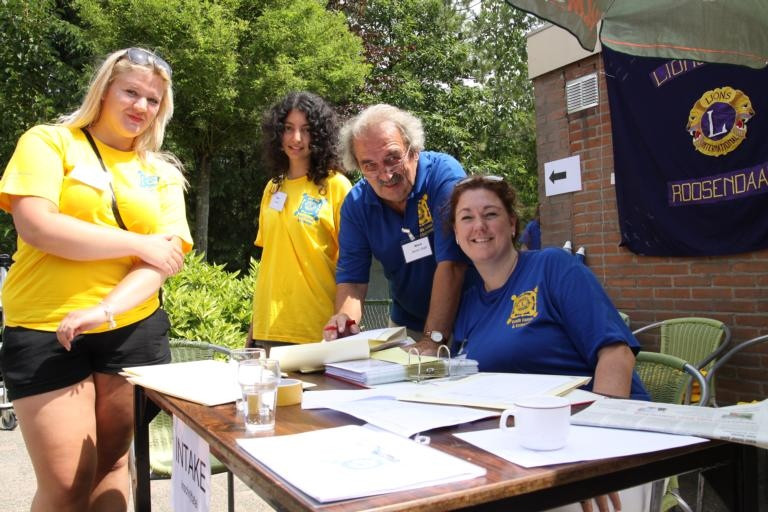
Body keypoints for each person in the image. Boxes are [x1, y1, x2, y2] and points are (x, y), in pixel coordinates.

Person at [0, 48, 191, 512]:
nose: (140, 107)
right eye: (131, 92)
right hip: (47, 328)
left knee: (111, 466)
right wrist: (136, 243)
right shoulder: (50, 142)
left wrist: (105, 310)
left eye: (152, 100)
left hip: (131, 328)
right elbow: (37, 225)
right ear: (105, 89)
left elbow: (161, 263)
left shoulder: (162, 173)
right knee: (67, 482)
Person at [448, 175, 650, 512]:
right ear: (456, 234)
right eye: (466, 217)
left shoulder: (554, 267)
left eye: (491, 214)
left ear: (512, 224)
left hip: (605, 449)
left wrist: (593, 454)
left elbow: (617, 354)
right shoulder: (468, 303)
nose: (478, 226)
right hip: (525, 451)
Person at [323, 104, 469, 355]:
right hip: (408, 325)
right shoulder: (356, 206)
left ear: (413, 150)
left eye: (392, 158)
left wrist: (433, 339)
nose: (386, 174)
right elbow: (353, 281)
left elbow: (453, 264)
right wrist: (345, 321)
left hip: (469, 317)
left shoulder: (444, 177)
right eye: (370, 165)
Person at [247, 92, 352, 352]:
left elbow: (352, 265)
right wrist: (253, 329)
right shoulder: (272, 188)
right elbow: (272, 263)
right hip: (269, 328)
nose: (296, 139)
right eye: (288, 129)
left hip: (316, 329)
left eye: (306, 130)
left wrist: (341, 324)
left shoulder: (336, 186)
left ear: (319, 135)